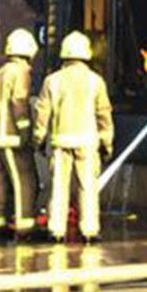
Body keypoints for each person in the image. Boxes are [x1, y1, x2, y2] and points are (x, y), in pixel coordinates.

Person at [34, 31, 113, 243]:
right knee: (88, 187)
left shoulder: (52, 81)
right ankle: (89, 231)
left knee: (59, 188)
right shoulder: (96, 82)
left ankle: (56, 230)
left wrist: (38, 139)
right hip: (87, 144)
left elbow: (42, 113)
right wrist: (107, 143)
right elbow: (103, 115)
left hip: (60, 143)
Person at [0, 28, 40, 240]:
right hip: (12, 138)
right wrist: (26, 133)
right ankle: (26, 226)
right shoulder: (20, 72)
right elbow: (19, 102)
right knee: (24, 178)